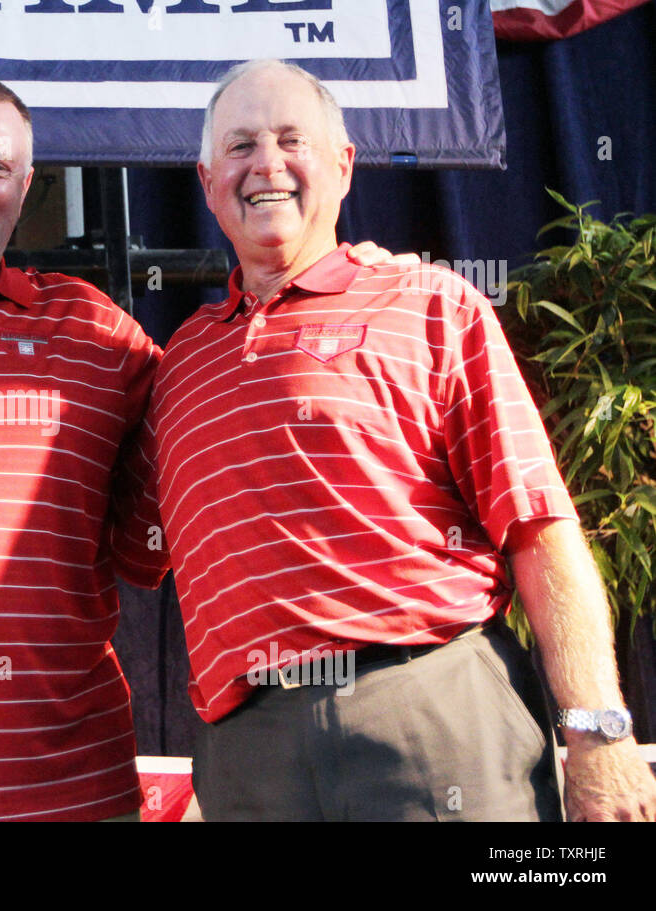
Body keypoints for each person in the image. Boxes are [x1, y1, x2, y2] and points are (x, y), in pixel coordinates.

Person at [0, 73, 400, 821]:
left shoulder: (97, 336)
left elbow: (218, 442)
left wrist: (346, 294)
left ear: (26, 185)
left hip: (71, 792)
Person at [139, 58, 656, 821]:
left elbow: (540, 531)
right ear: (208, 178)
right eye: (241, 146)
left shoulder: (432, 304)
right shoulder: (178, 364)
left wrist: (600, 732)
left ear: (345, 167)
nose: (267, 164)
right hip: (248, 753)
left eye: (292, 140)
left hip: (432, 715)